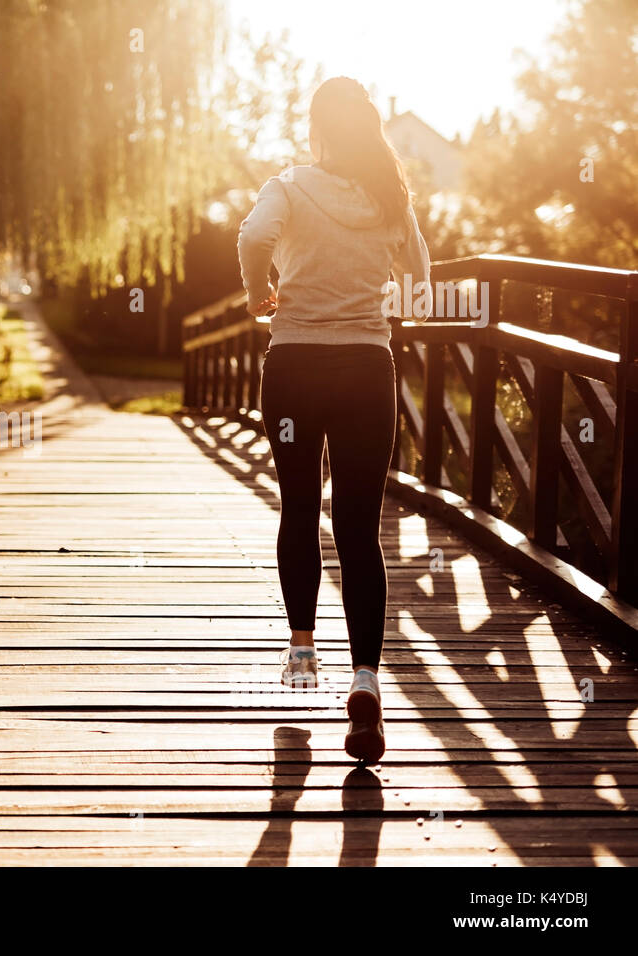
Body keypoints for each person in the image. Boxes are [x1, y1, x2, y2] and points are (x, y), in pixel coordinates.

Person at [237, 76, 431, 763]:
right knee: (358, 527)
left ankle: (301, 651)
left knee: (298, 506)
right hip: (365, 373)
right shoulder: (390, 196)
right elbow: (421, 277)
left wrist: (259, 289)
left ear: (319, 128)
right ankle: (367, 680)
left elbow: (253, 236)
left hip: (293, 368)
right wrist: (383, 310)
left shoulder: (288, 187)